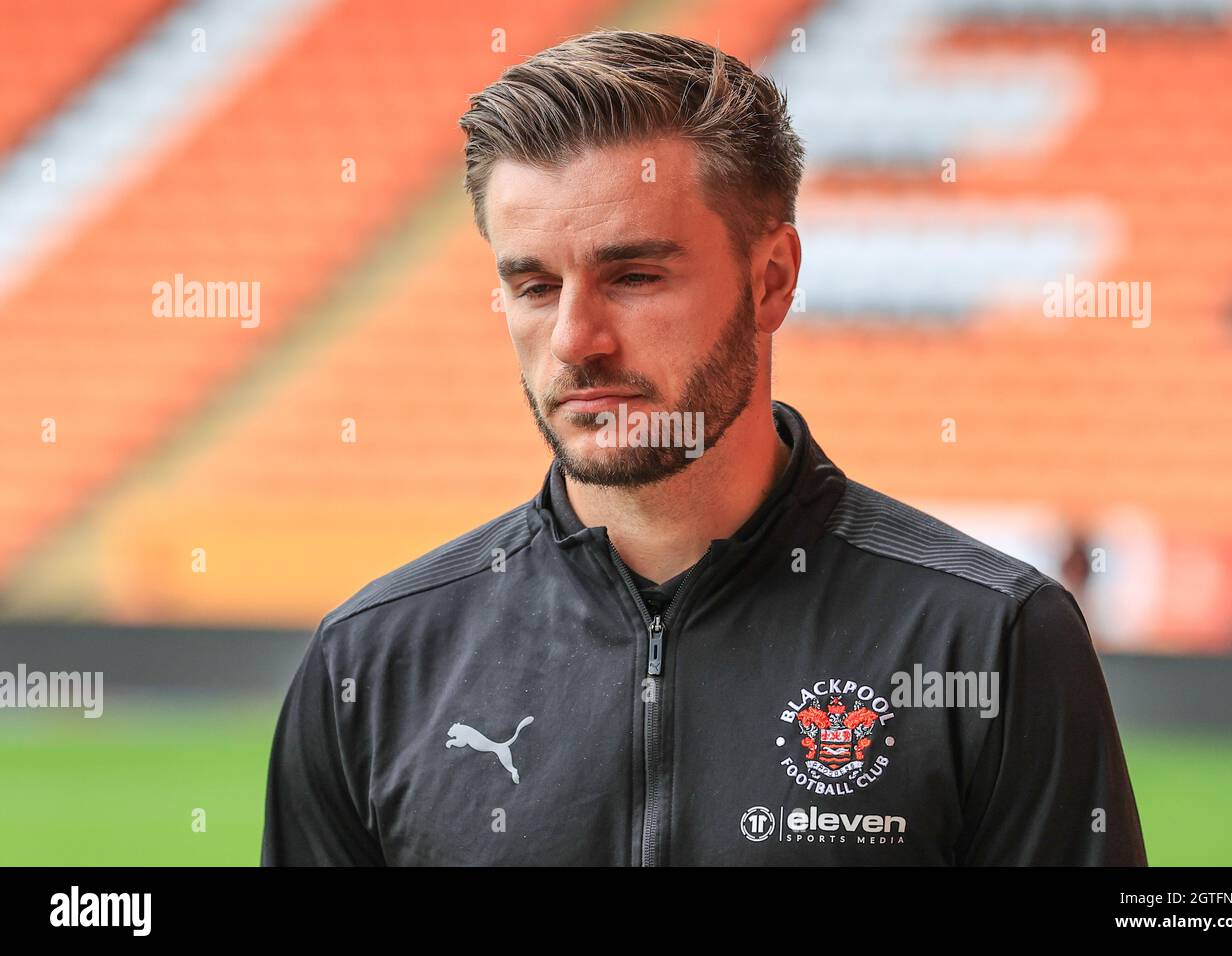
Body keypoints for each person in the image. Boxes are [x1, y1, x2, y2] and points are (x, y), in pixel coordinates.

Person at [261, 30, 1146, 866]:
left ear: (772, 280)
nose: (577, 339)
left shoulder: (988, 638)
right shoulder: (371, 662)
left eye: (634, 276)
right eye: (533, 285)